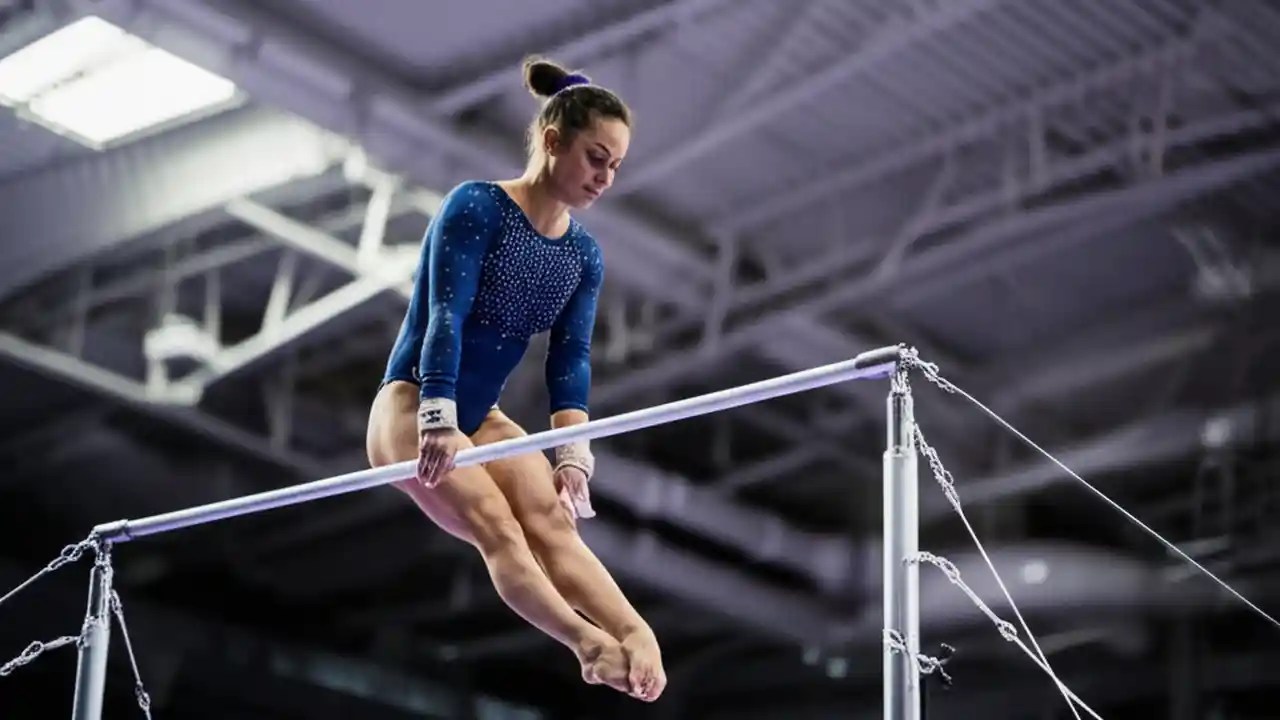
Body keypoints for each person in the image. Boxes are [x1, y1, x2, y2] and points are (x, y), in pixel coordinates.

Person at [366, 56, 666, 702]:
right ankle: (586, 644)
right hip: (413, 405)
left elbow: (570, 359)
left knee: (554, 524)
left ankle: (635, 631)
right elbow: (447, 313)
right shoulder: (477, 206)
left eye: (615, 166)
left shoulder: (582, 257)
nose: (605, 177)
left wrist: (572, 455)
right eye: (595, 158)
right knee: (500, 526)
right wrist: (439, 416)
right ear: (553, 141)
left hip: (484, 417)